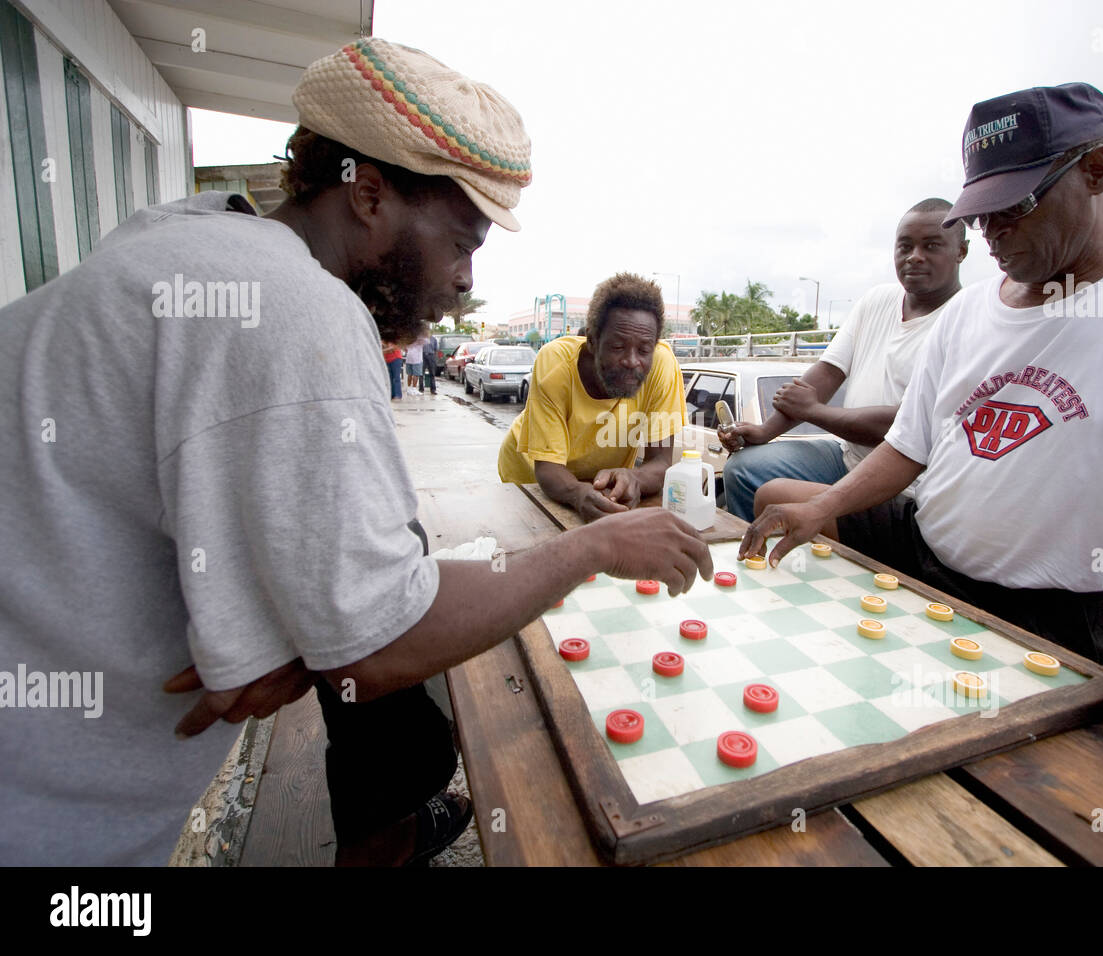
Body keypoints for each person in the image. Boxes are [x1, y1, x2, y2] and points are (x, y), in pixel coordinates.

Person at [0, 38, 712, 867]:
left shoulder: (192, 234)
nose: (464, 282)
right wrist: (595, 545)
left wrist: (304, 639)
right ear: (368, 195)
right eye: (462, 243)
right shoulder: (292, 307)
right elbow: (376, 644)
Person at [741, 82, 1103, 755]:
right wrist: (821, 508)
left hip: (1056, 609)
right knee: (835, 696)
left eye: (1016, 207)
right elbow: (907, 447)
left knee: (1021, 783)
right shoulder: (971, 313)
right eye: (981, 215)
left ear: (1097, 171)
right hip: (922, 554)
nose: (994, 234)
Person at [720, 198, 968, 523]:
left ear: (962, 251)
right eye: (904, 246)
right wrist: (766, 431)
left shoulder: (967, 318)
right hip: (848, 457)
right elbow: (825, 374)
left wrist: (814, 411)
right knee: (745, 468)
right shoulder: (877, 300)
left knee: (789, 499)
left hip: (909, 486)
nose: (914, 257)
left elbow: (906, 424)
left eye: (931, 246)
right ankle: (756, 564)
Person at [497, 273, 688, 520]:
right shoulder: (555, 364)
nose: (632, 361)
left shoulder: (662, 365)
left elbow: (661, 461)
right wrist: (577, 493)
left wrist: (635, 478)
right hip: (530, 480)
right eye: (618, 347)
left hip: (598, 489)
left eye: (644, 350)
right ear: (593, 341)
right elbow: (547, 467)